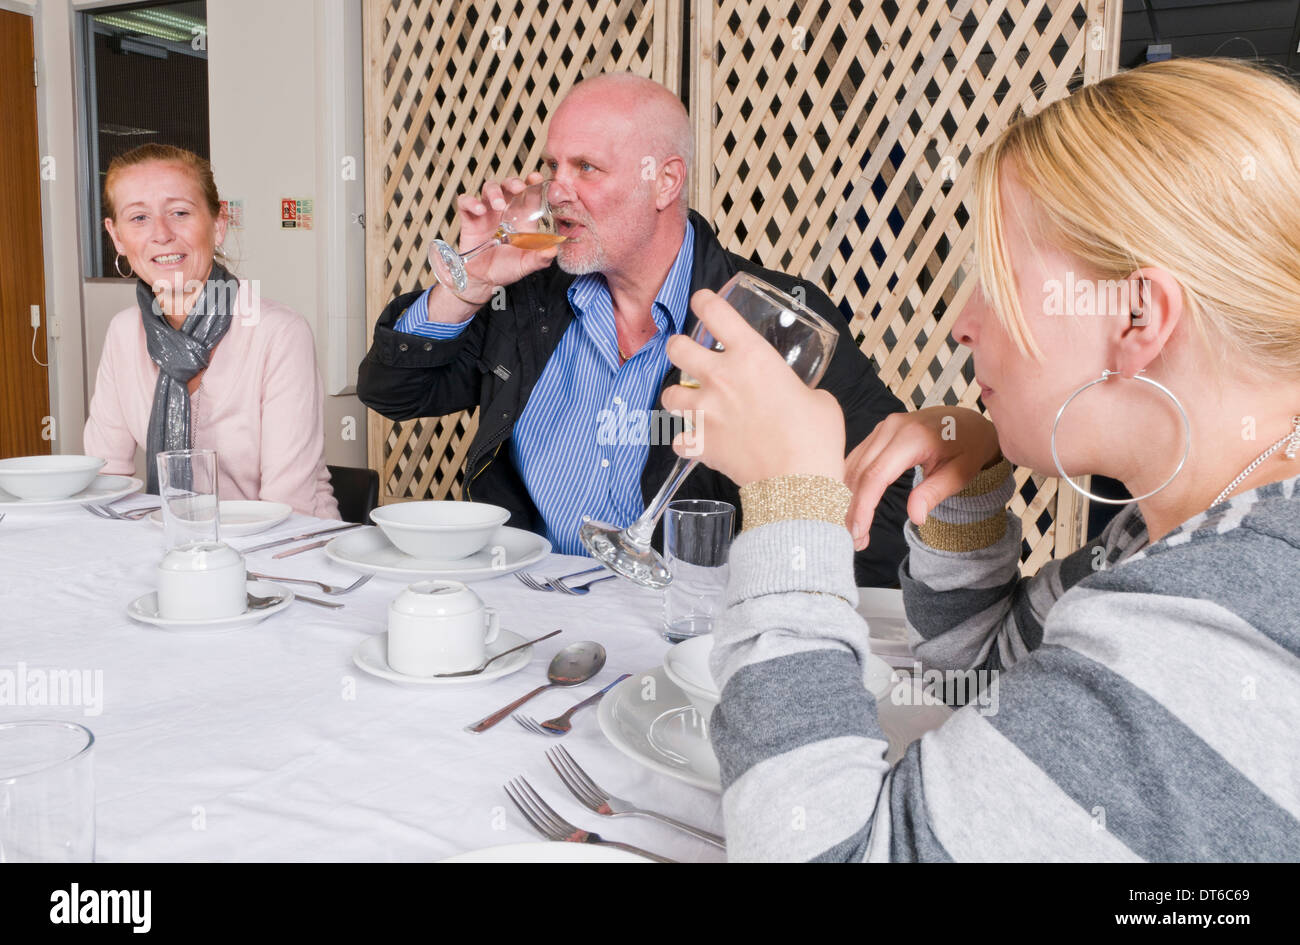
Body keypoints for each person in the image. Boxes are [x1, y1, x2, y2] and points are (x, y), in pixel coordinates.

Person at [661, 57, 1300, 861]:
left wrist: (790, 503)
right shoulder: (1177, 532)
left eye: (997, 281)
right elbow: (992, 682)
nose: (964, 322)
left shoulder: (1217, 623)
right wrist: (969, 496)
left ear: (1138, 315)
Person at [356, 73, 910, 586]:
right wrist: (468, 285)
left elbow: (888, 501)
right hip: (533, 610)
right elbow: (393, 392)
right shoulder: (524, 297)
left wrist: (756, 587)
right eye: (553, 167)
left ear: (664, 181)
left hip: (686, 632)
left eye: (586, 168)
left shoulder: (771, 316)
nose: (555, 191)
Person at [85, 144, 339, 519]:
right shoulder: (124, 332)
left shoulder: (279, 333)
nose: (161, 233)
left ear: (218, 225)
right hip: (175, 546)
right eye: (138, 218)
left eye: (180, 213)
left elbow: (290, 507)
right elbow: (104, 479)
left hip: (287, 550)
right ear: (117, 236)